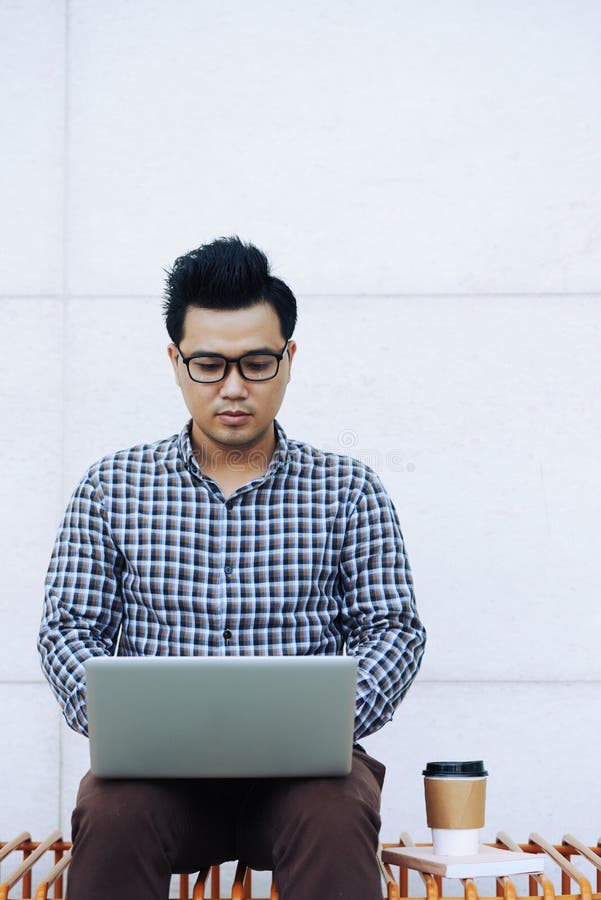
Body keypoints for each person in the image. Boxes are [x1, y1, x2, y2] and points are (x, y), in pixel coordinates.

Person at [38, 235, 426, 900]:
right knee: (110, 811)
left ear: (289, 359)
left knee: (335, 815)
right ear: (175, 361)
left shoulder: (347, 489)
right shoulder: (112, 486)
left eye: (256, 363)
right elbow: (68, 629)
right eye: (209, 365)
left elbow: (392, 628)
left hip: (308, 778)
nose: (234, 388)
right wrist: (114, 722)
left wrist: (329, 721)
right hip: (155, 776)